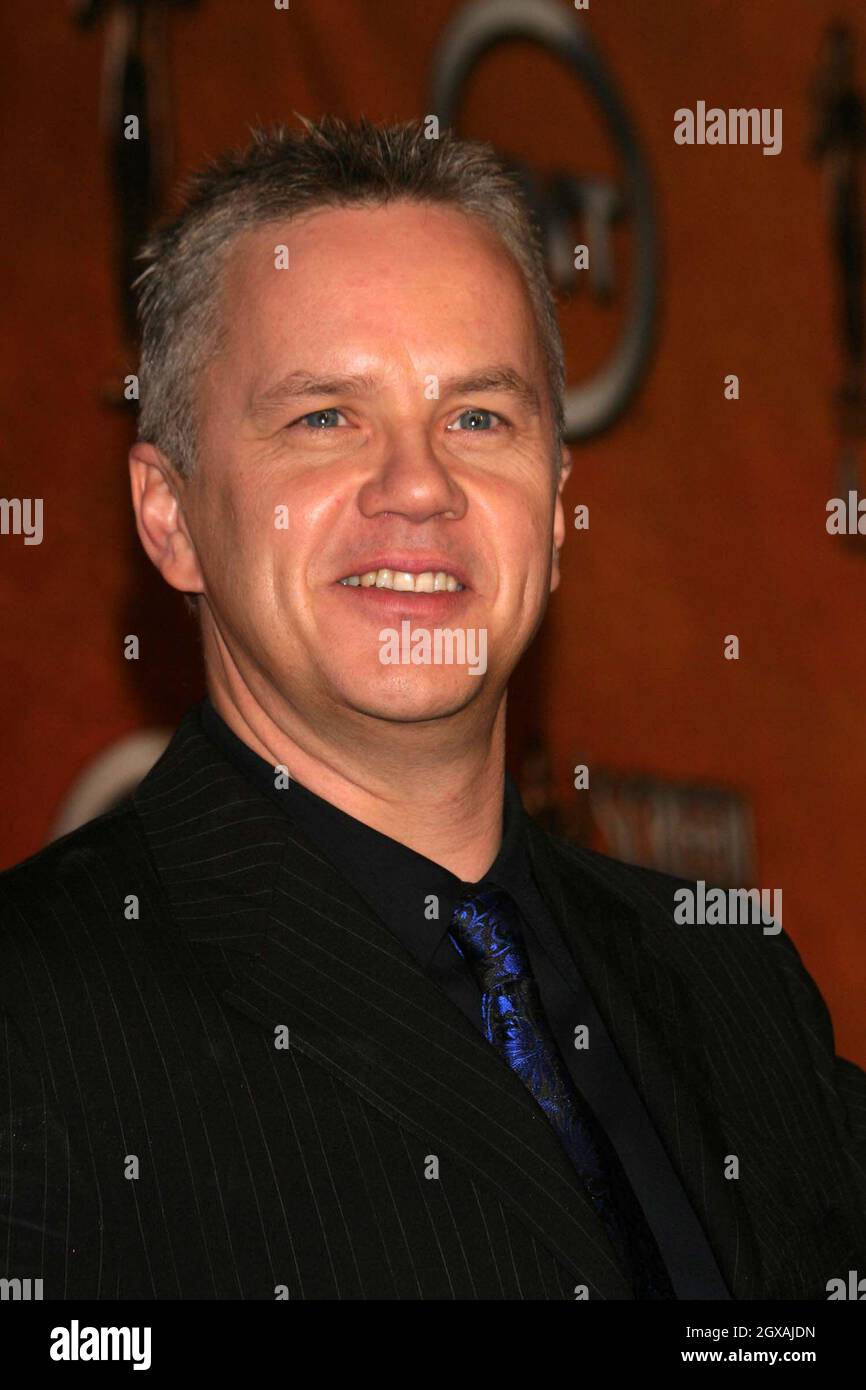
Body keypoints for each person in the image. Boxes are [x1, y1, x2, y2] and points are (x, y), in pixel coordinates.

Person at [1, 116, 864, 1300]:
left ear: (556, 508)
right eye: (324, 417)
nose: (417, 485)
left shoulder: (731, 980)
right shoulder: (35, 1024)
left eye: (476, 417)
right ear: (168, 515)